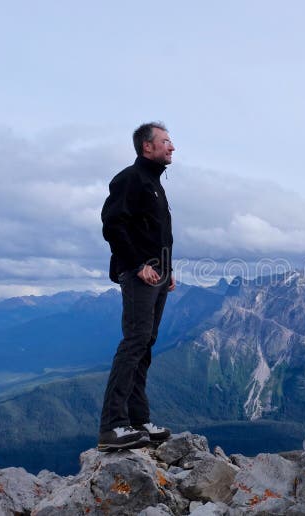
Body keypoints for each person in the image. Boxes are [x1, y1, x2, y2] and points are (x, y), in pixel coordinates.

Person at [98, 122, 176, 451]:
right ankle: (112, 426)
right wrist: (137, 264)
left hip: (157, 275)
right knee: (134, 343)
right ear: (147, 147)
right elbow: (112, 225)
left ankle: (138, 419)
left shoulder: (154, 183)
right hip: (140, 275)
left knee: (145, 344)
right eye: (166, 141)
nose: (172, 147)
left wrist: (167, 268)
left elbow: (153, 232)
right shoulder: (129, 179)